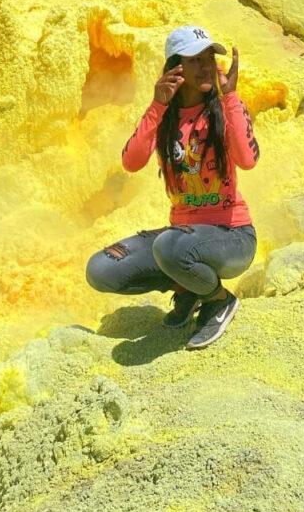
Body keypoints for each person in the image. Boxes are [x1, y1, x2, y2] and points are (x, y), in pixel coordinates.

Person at [85, 25, 260, 350]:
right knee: (100, 269)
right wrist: (157, 106)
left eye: (210, 58)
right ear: (174, 68)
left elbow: (248, 160)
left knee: (168, 246)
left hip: (233, 237)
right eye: (196, 60)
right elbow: (131, 161)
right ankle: (192, 288)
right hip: (182, 240)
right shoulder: (164, 117)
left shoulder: (226, 109)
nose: (207, 66)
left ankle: (218, 300)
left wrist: (231, 96)